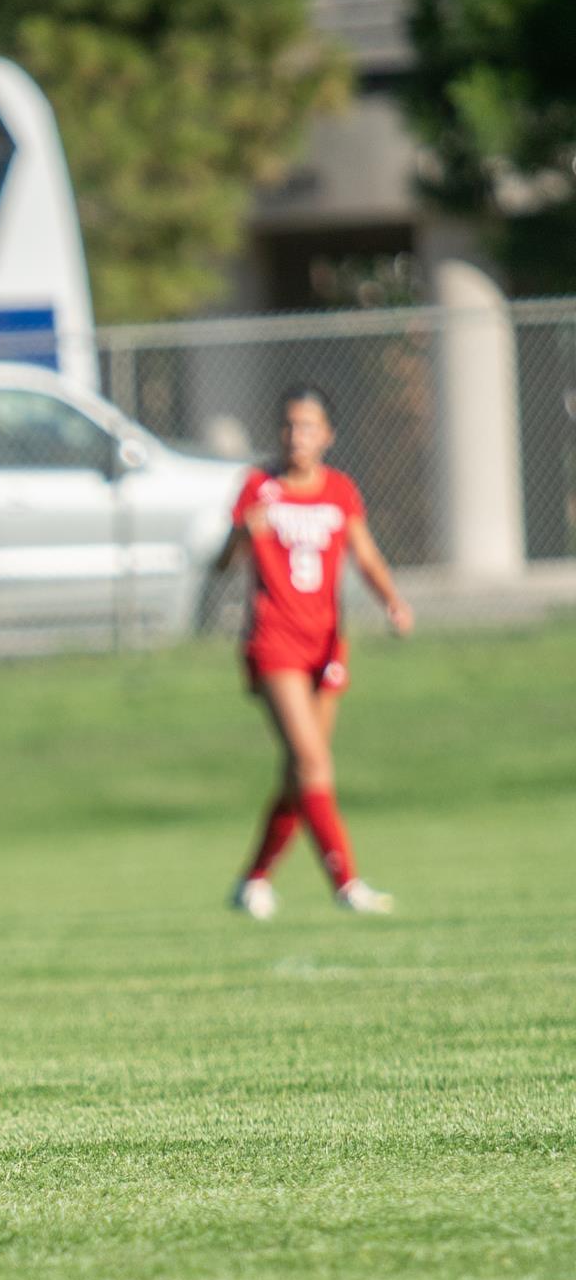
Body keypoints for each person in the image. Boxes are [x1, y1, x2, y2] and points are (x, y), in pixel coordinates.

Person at [214, 386, 414, 921]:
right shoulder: (257, 486)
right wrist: (240, 533)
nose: (295, 436)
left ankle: (254, 880)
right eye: (288, 425)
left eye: (307, 426)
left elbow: (365, 555)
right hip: (273, 640)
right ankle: (346, 884)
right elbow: (222, 564)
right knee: (312, 761)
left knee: (300, 773)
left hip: (325, 643)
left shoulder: (340, 490)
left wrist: (392, 601)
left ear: (327, 435)